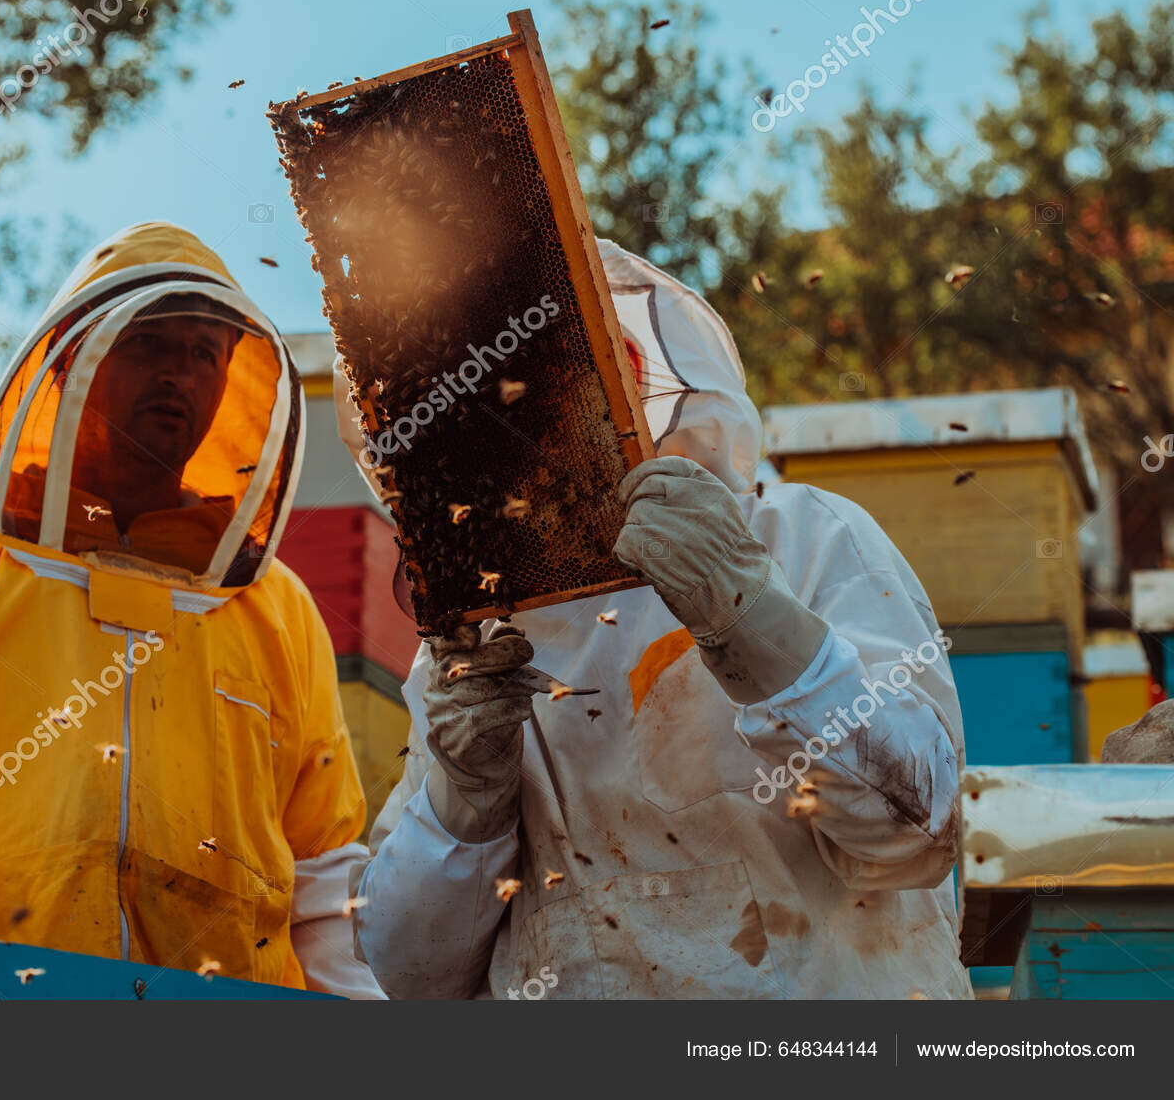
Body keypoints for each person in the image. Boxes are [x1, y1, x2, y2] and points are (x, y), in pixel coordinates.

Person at [0, 222, 383, 998]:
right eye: (150, 343)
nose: (179, 374)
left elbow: (323, 872)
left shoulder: (278, 609)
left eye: (204, 352)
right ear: (70, 359)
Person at [347, 240, 970, 999]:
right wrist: (464, 800)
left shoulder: (800, 536)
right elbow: (409, 969)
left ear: (627, 373)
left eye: (536, 372)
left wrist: (758, 621)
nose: (506, 412)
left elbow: (917, 831)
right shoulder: (472, 652)